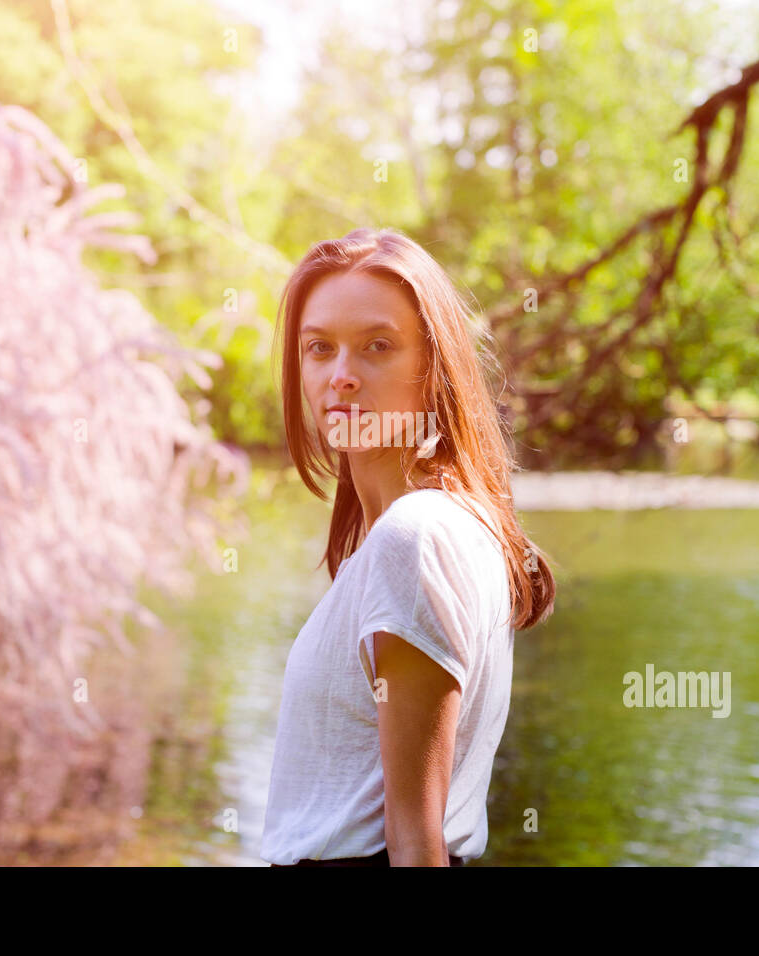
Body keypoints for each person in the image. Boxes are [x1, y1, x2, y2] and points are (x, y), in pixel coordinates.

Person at [260, 227, 556, 867]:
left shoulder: (415, 536)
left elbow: (417, 843)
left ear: (432, 369)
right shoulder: (434, 528)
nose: (341, 376)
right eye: (319, 348)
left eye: (377, 347)